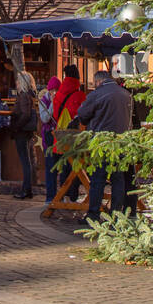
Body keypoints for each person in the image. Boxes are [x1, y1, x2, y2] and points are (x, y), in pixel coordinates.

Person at [70, 69, 133, 221]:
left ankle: (93, 214)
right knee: (118, 179)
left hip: (101, 143)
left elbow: (83, 115)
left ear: (98, 81)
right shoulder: (126, 95)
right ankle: (117, 214)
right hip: (121, 143)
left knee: (98, 180)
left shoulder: (97, 94)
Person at [52, 64, 86, 200]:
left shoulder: (59, 94)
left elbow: (55, 115)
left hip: (60, 135)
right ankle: (73, 195)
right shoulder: (80, 95)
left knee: (64, 166)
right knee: (76, 166)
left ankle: (63, 194)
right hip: (76, 136)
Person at [9, 70, 38, 200]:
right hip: (26, 130)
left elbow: (25, 114)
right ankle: (27, 189)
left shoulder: (24, 96)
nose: (15, 82)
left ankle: (26, 189)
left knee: (25, 160)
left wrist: (16, 126)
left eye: (17, 80)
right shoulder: (29, 95)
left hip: (22, 130)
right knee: (26, 160)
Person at [38, 75, 61, 204]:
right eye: (52, 90)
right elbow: (45, 118)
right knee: (50, 167)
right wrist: (53, 103)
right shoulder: (44, 101)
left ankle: (61, 195)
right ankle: (50, 197)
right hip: (49, 138)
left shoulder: (61, 98)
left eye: (57, 90)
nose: (55, 93)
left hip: (60, 137)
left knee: (61, 167)